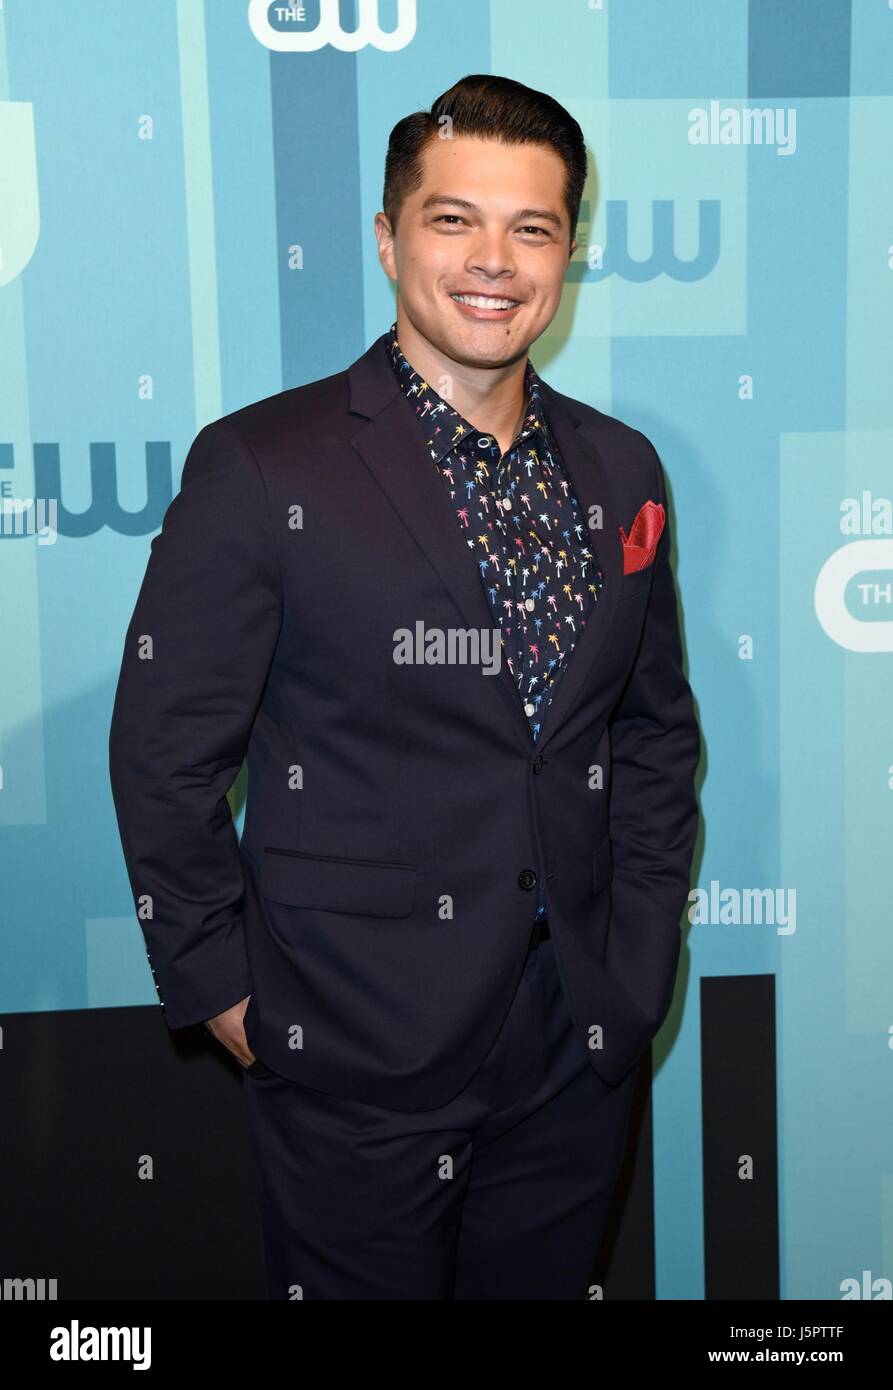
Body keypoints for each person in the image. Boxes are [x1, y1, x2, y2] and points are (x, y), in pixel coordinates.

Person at [108, 73, 700, 1300]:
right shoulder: (264, 463)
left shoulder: (620, 465)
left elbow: (649, 733)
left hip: (574, 1046)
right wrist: (225, 991)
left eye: (530, 228)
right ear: (387, 239)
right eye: (452, 220)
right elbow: (162, 754)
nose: (493, 260)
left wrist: (636, 957)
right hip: (355, 1050)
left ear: (568, 251)